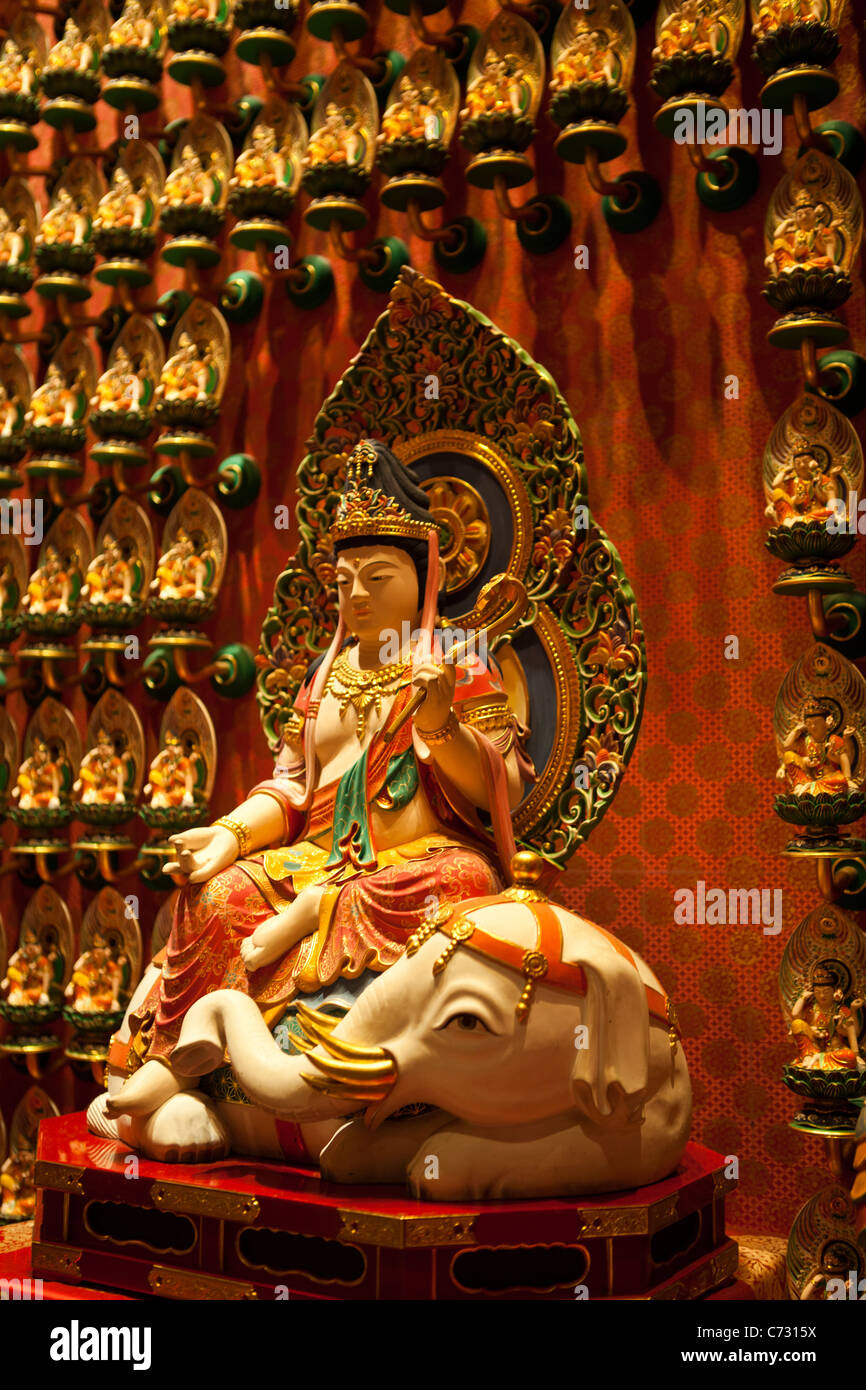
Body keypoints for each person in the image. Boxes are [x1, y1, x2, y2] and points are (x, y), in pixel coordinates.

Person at [107, 438, 534, 1122]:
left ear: (423, 577)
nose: (357, 595)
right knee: (213, 895)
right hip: (317, 859)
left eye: (378, 576)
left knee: (467, 884)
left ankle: (310, 933)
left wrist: (441, 721)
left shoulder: (459, 660)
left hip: (414, 862)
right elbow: (293, 788)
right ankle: (173, 1060)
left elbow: (502, 791)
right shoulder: (322, 677)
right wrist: (226, 834)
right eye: (343, 581)